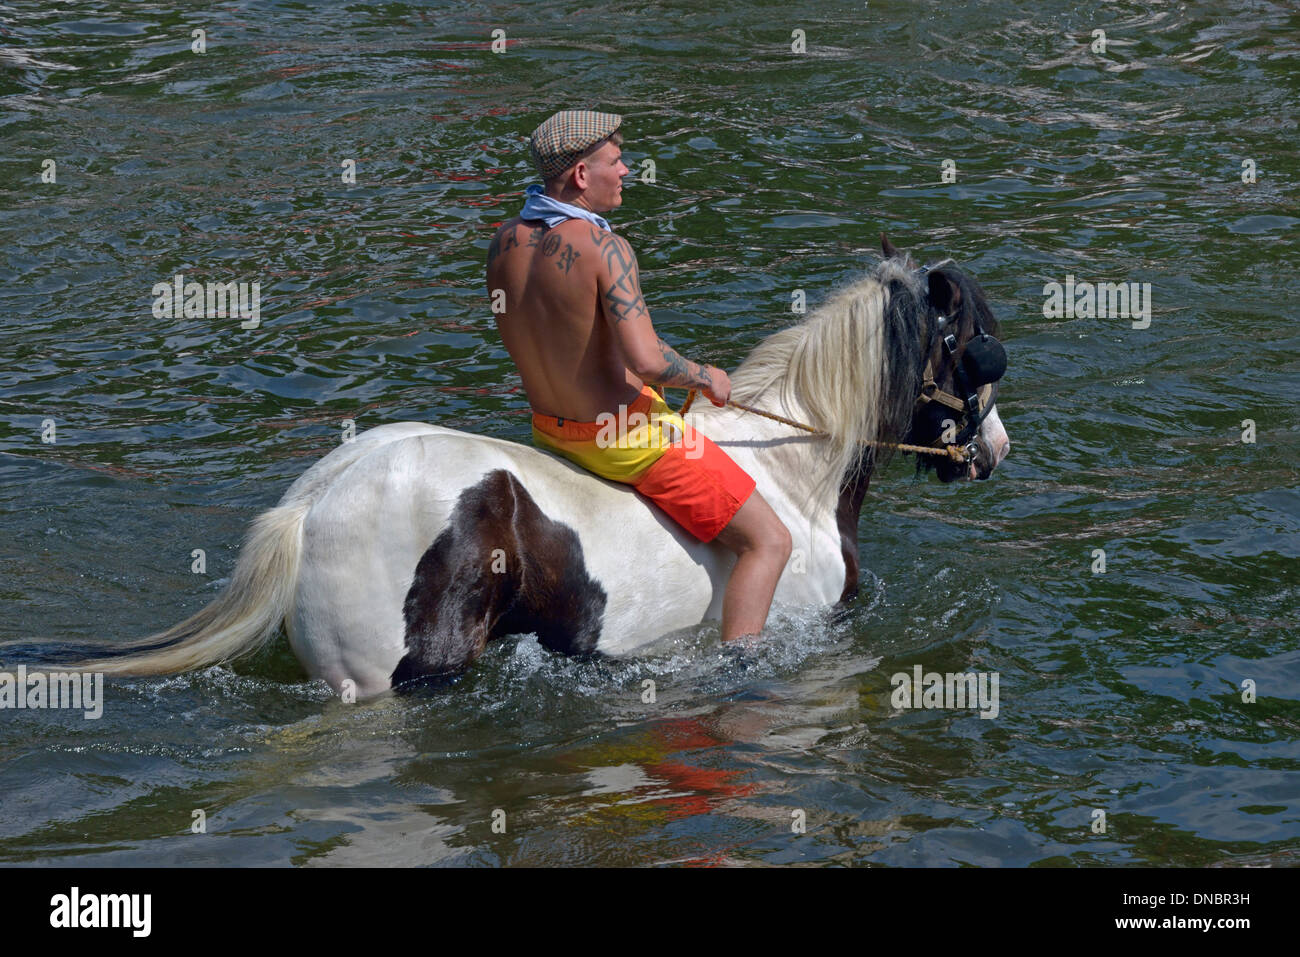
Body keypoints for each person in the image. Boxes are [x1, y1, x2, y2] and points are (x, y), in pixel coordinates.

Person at [485, 109, 791, 643]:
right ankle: (744, 680)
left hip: (549, 429)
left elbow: (566, 339)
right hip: (622, 440)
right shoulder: (606, 249)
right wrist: (705, 376)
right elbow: (648, 361)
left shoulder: (505, 242)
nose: (626, 170)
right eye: (615, 159)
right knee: (769, 541)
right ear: (581, 175)